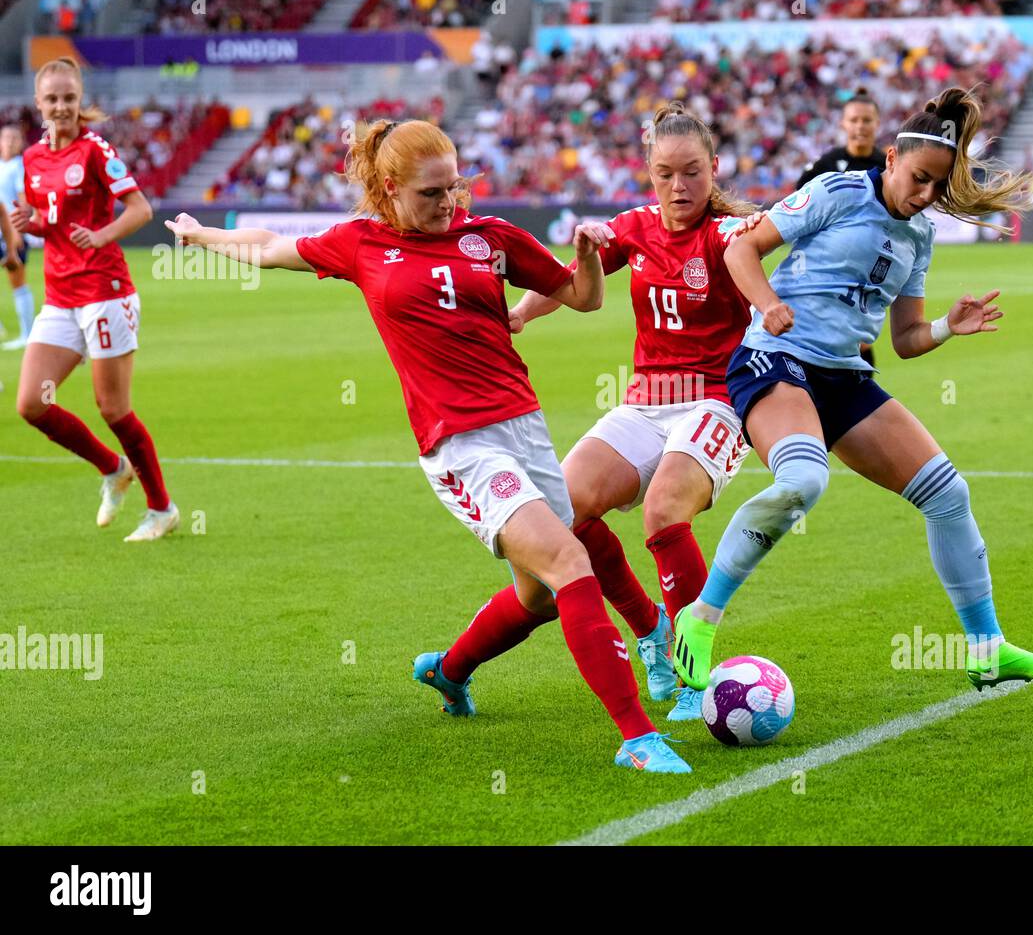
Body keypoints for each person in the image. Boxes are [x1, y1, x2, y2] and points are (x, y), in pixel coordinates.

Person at [164, 118, 690, 774]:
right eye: (431, 193)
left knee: (540, 594)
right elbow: (271, 245)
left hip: (523, 427)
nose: (449, 203)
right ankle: (637, 736)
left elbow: (582, 297)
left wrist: (585, 256)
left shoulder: (491, 238)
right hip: (460, 446)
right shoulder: (359, 243)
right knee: (568, 560)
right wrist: (201, 235)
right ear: (389, 188)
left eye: (455, 187)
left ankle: (450, 670)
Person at [668, 87, 1033, 715]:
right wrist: (767, 304)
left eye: (937, 186)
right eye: (918, 179)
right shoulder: (836, 192)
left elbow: (904, 341)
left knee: (948, 494)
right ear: (890, 158)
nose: (925, 194)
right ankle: (702, 616)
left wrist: (944, 327)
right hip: (775, 361)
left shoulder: (919, 238)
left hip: (842, 378)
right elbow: (740, 247)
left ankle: (987, 648)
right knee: (804, 480)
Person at [506, 102, 759, 721]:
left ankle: (695, 673)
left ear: (715, 168)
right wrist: (518, 314)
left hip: (717, 400)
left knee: (662, 511)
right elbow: (571, 280)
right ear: (649, 172)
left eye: (693, 173)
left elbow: (791, 247)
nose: (680, 187)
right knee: (564, 510)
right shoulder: (636, 226)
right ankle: (647, 628)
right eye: (666, 173)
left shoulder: (733, 234)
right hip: (646, 401)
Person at [10, 58, 177, 541]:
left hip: (105, 293)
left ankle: (162, 508)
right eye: (52, 99)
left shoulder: (96, 150)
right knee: (31, 404)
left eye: (69, 98)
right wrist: (32, 224)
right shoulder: (34, 160)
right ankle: (112, 468)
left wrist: (101, 236)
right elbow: (52, 224)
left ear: (79, 100)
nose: (61, 106)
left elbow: (140, 209)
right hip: (60, 296)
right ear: (39, 105)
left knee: (113, 409)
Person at [796, 90, 888, 379]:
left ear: (877, 124)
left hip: (868, 275)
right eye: (854, 120)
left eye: (867, 120)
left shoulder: (889, 167)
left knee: (858, 348)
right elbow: (798, 213)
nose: (860, 126)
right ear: (843, 124)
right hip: (825, 272)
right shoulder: (823, 167)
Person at [0, 124, 36, 349]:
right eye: (6, 137)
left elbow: (23, 202)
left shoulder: (19, 166)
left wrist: (19, 231)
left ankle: (27, 333)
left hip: (11, 232)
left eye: (15, 138)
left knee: (17, 281)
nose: (10, 141)